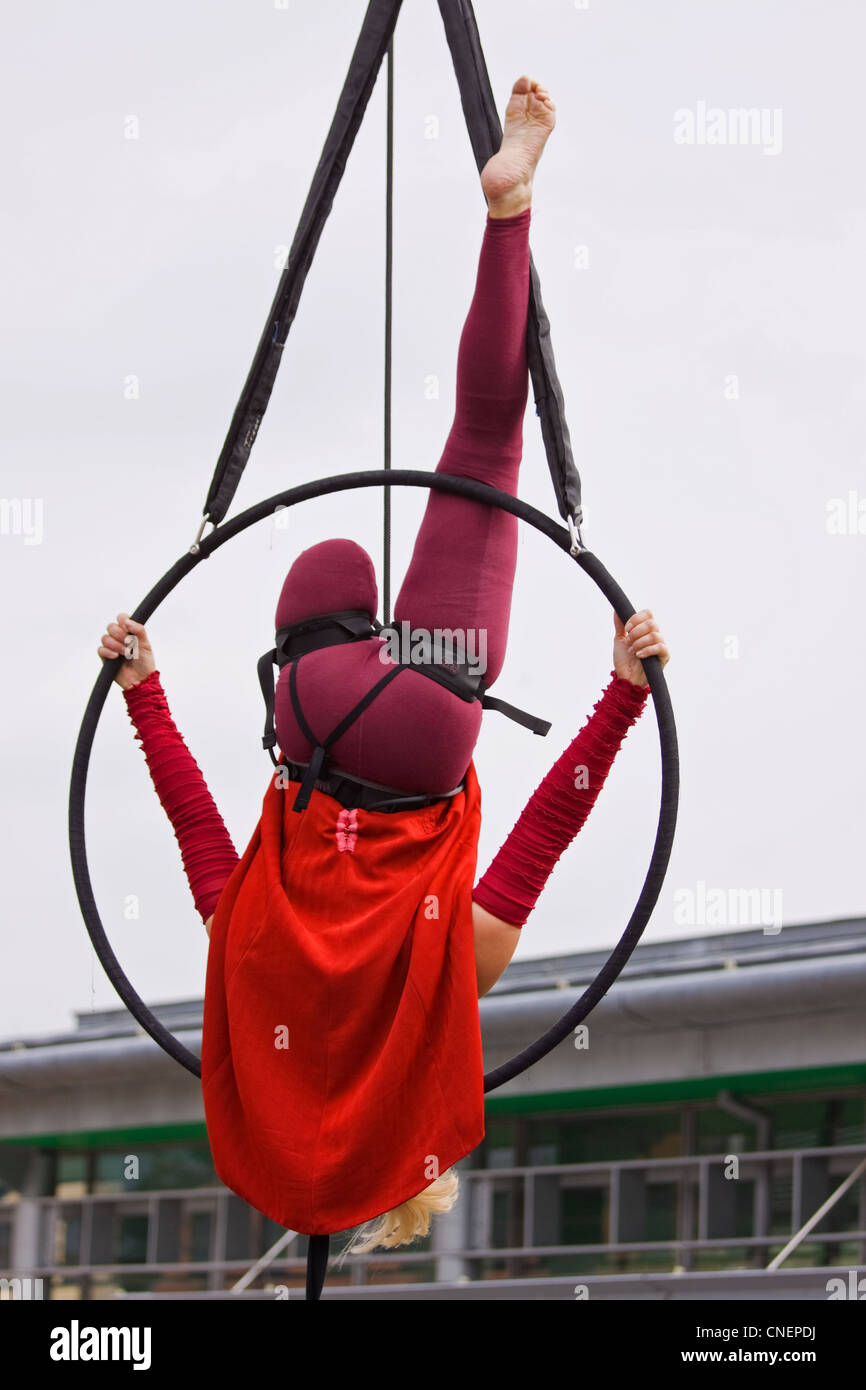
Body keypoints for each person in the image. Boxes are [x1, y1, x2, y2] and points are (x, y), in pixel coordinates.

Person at [97, 77, 670, 1261]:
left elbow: (541, 837)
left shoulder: (448, 999)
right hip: (313, 701)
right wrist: (144, 688)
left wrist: (618, 694)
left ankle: (505, 211)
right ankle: (505, 207)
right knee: (341, 555)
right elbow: (199, 833)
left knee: (480, 443)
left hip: (424, 718)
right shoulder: (256, 1005)